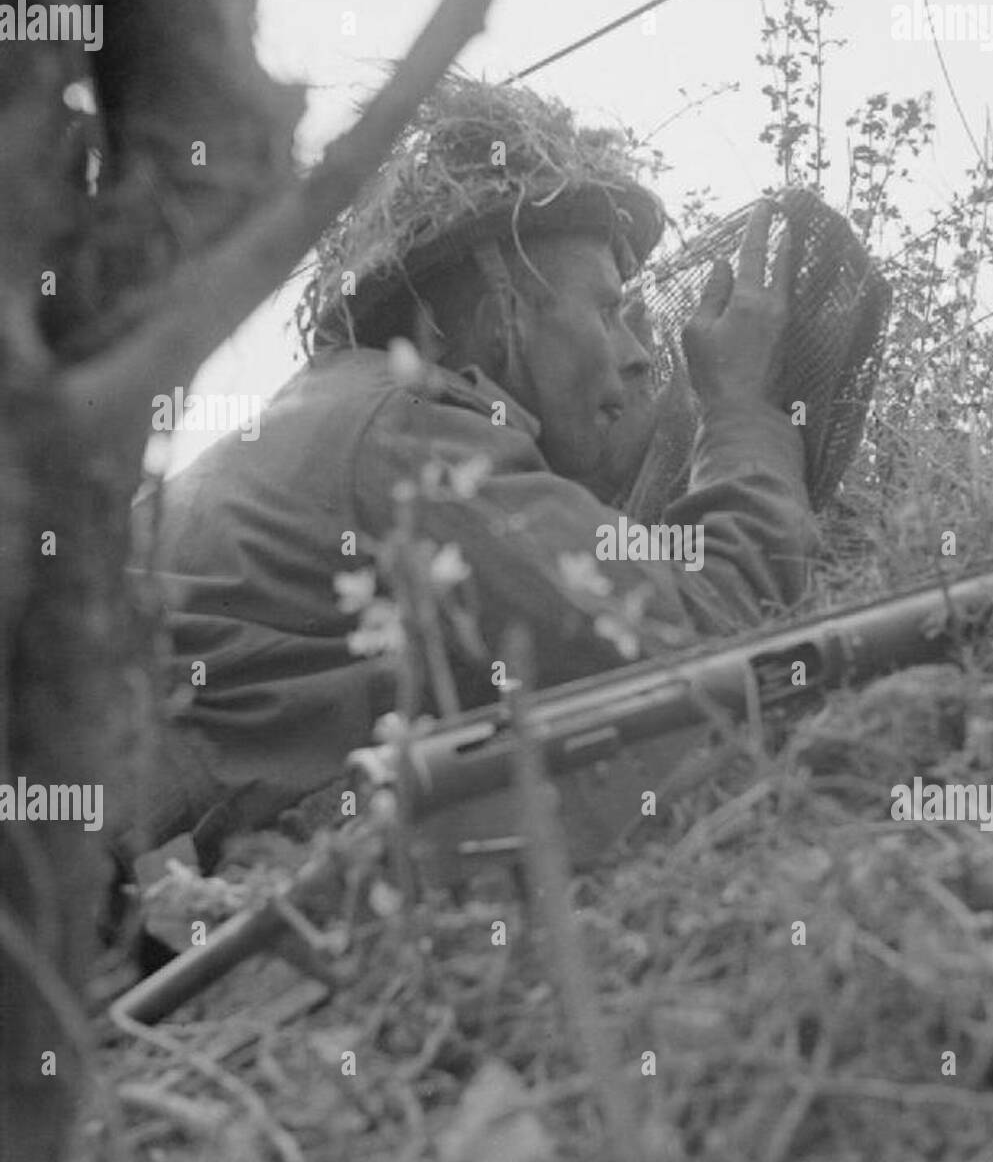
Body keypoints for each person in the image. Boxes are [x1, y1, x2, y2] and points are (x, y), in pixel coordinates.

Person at [126, 76, 818, 871]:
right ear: (499, 309)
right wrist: (741, 414)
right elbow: (705, 636)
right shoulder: (411, 433)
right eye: (604, 308)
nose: (635, 354)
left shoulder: (339, 415)